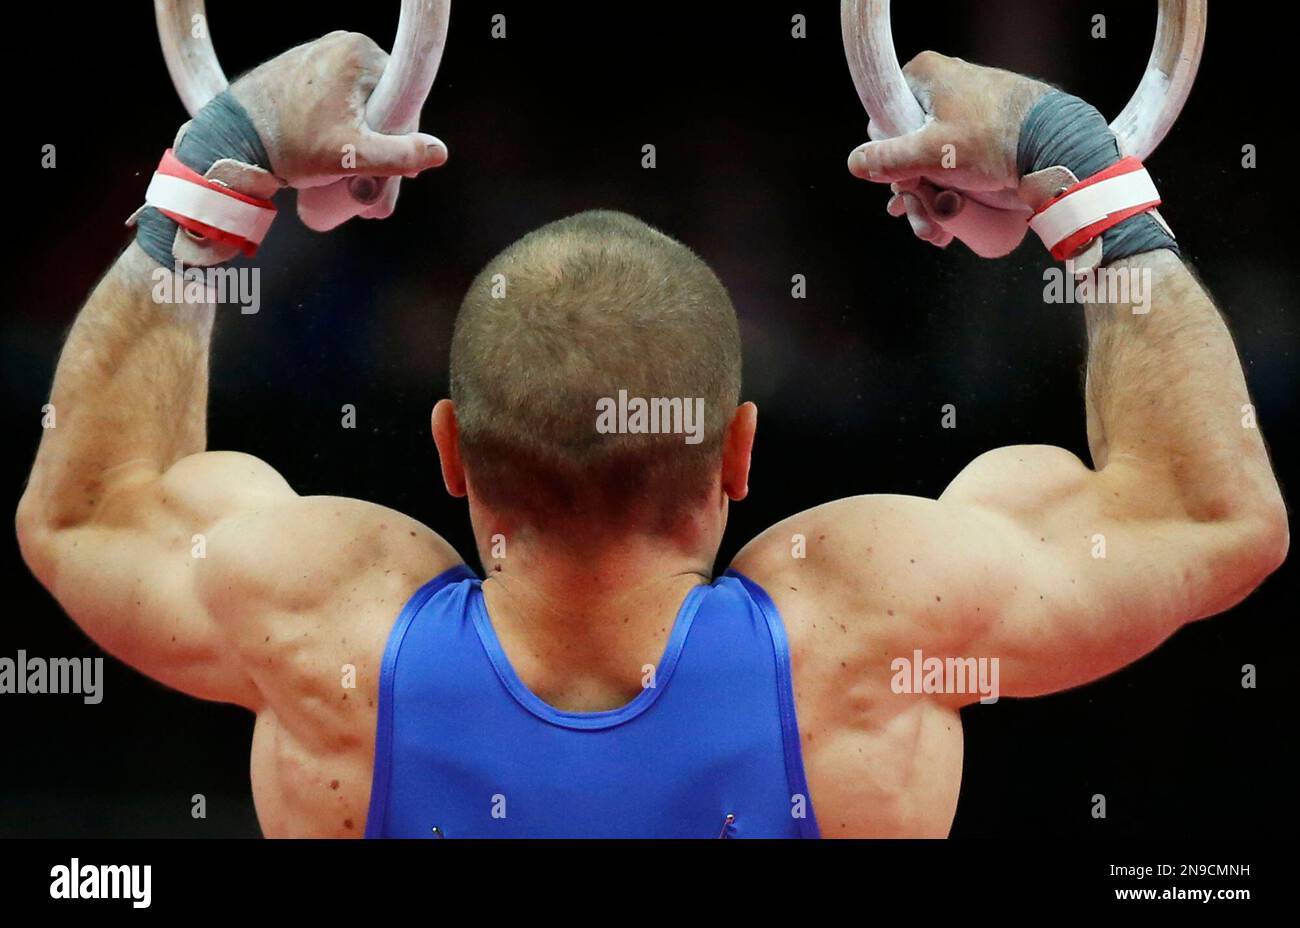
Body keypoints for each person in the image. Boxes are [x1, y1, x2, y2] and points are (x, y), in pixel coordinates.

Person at [16, 35, 1287, 837]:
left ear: (448, 451)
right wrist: (1081, 179)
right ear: (740, 453)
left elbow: (85, 510)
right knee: (1024, 484)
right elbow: (1206, 512)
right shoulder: (874, 623)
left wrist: (215, 171)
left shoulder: (316, 621)